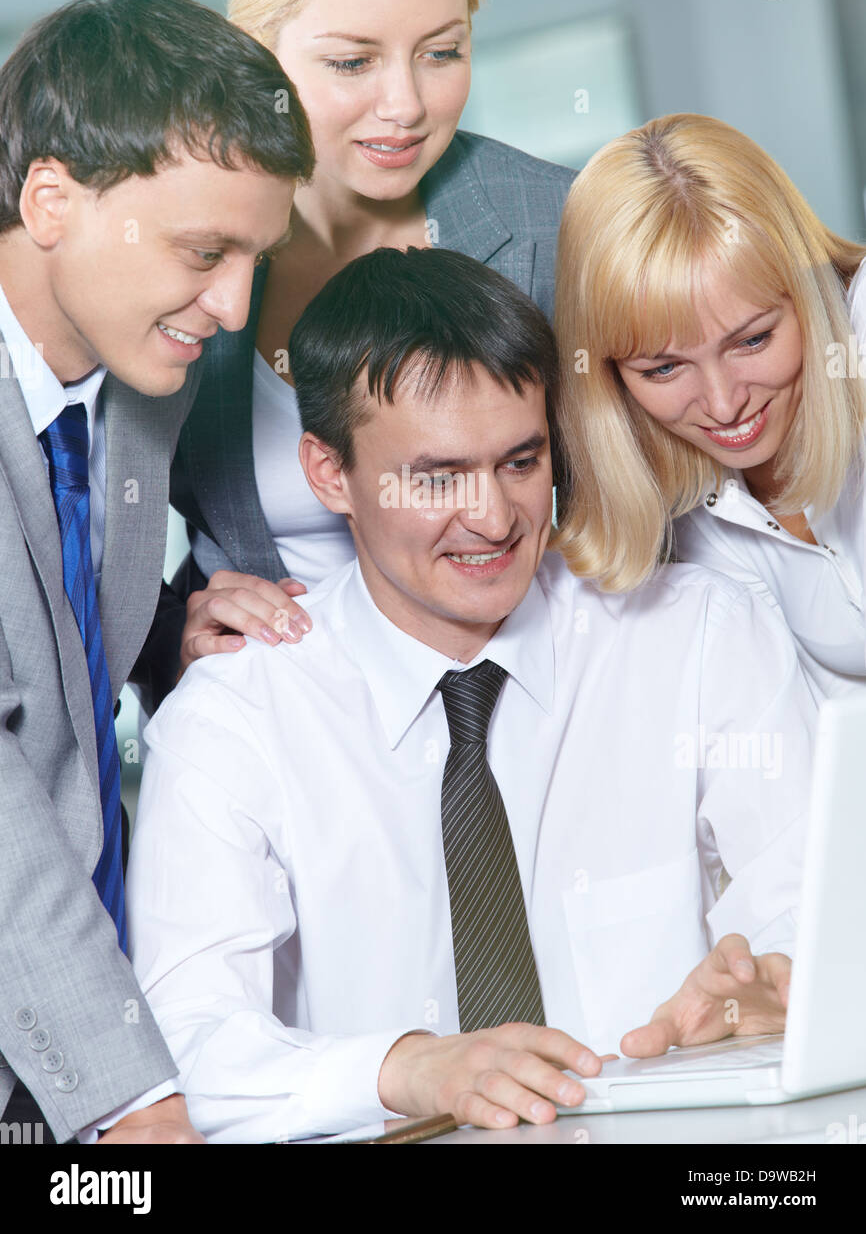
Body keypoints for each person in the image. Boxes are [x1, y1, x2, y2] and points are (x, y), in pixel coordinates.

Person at [127, 247, 813, 1143]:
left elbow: (812, 905)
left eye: (521, 462)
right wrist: (412, 1066)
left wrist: (780, 981)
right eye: (438, 477)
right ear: (329, 474)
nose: (492, 517)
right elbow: (191, 1042)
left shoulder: (700, 635)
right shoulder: (235, 719)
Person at [141, 0, 577, 706]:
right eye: (352, 63)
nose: (406, 105)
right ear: (255, 54)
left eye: (441, 52)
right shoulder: (177, 249)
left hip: (536, 713)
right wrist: (171, 640)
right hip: (289, 732)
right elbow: (77, 526)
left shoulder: (557, 225)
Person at [0, 0, 313, 1145]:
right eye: (202, 252)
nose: (232, 306)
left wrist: (157, 629)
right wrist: (135, 1100)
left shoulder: (136, 381)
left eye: (252, 257)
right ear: (51, 200)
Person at [553, 112, 866, 701]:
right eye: (663, 368)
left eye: (752, 341)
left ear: (806, 293)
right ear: (610, 377)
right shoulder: (694, 518)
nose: (724, 405)